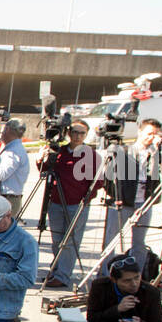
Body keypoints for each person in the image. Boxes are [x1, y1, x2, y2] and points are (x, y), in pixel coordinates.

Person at [37, 119, 97, 288]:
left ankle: (63, 276)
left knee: (70, 241)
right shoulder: (60, 151)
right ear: (69, 133)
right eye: (75, 132)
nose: (77, 136)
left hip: (76, 204)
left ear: (86, 135)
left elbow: (98, 180)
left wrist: (87, 198)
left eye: (81, 133)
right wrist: (42, 158)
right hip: (55, 201)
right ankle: (55, 270)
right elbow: (45, 170)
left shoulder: (90, 154)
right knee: (57, 239)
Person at [102, 118, 162, 274]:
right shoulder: (125, 151)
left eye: (155, 134)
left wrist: (157, 153)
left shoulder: (156, 154)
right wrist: (116, 196)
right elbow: (107, 178)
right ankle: (105, 273)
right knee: (111, 240)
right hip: (123, 202)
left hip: (144, 203)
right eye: (149, 133)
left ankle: (137, 276)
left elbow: (159, 177)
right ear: (140, 132)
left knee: (139, 243)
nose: (151, 137)